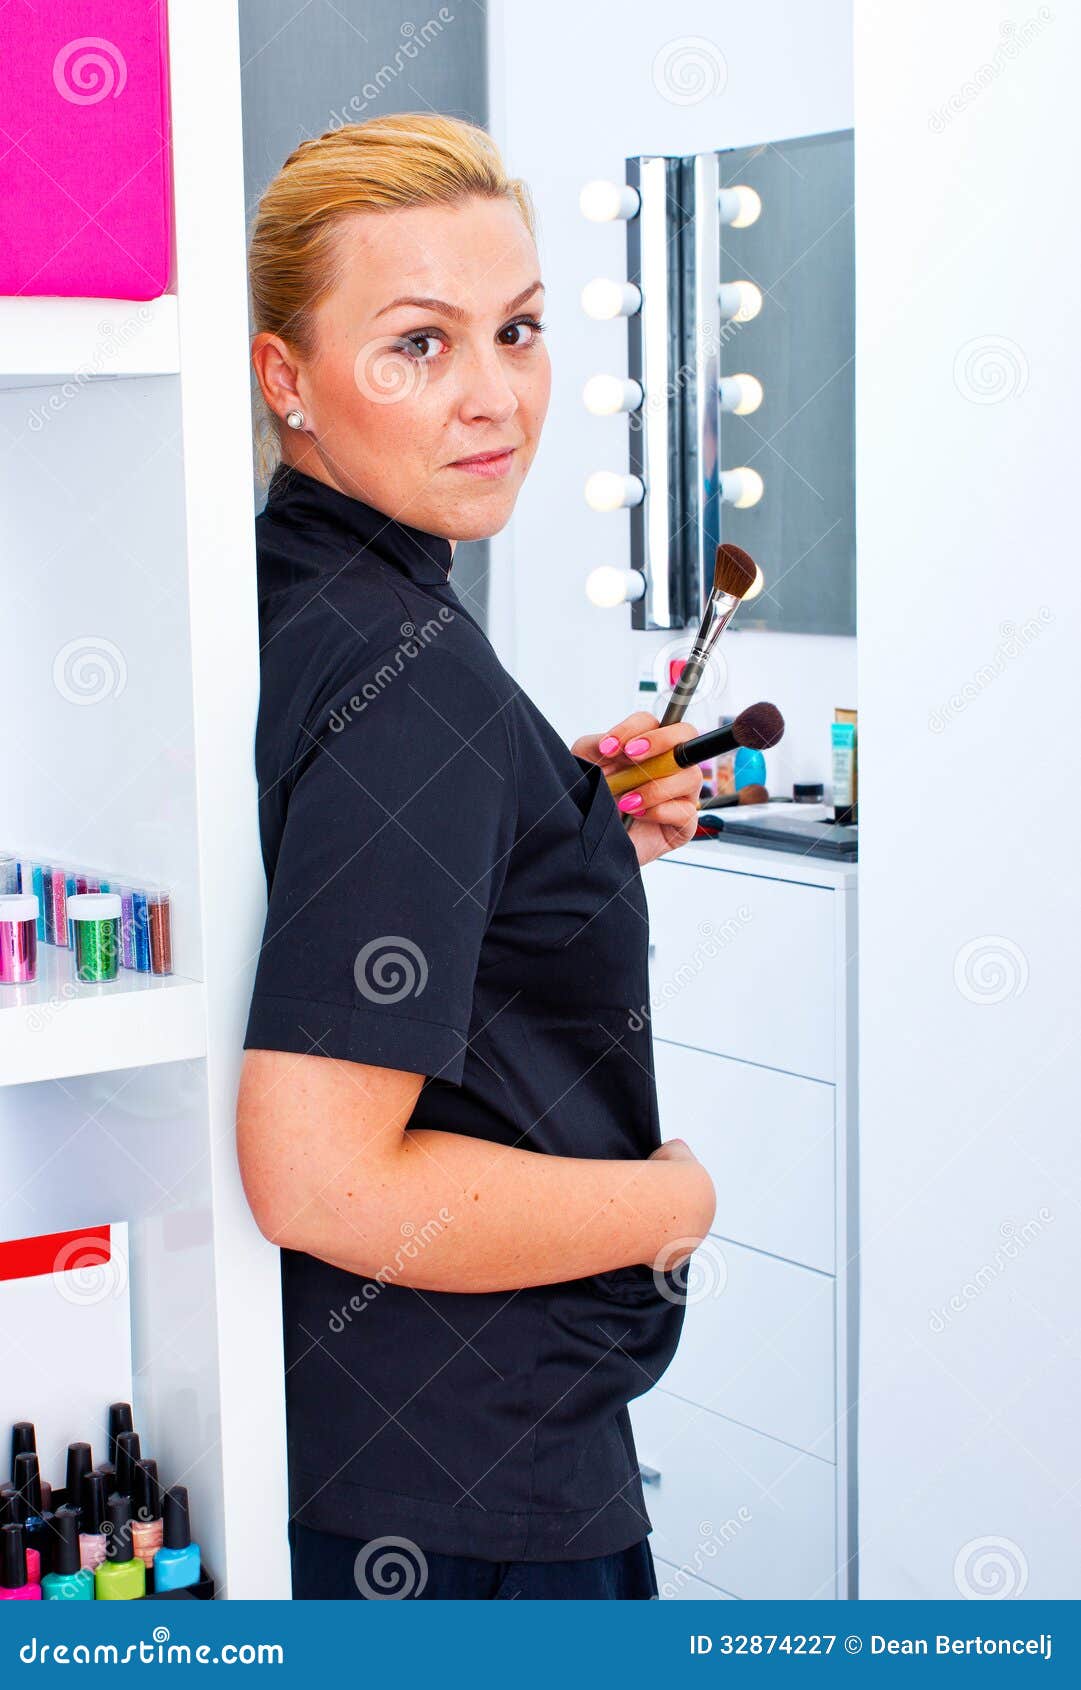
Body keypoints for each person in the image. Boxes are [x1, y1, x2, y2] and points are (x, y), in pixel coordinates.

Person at [237, 113, 714, 1602]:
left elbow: (327, 890)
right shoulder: (416, 671)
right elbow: (320, 1181)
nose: (495, 396)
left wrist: (552, 828)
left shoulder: (280, 600)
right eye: (418, 345)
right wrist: (672, 1202)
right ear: (284, 379)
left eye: (515, 330)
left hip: (347, 1448)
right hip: (474, 1493)